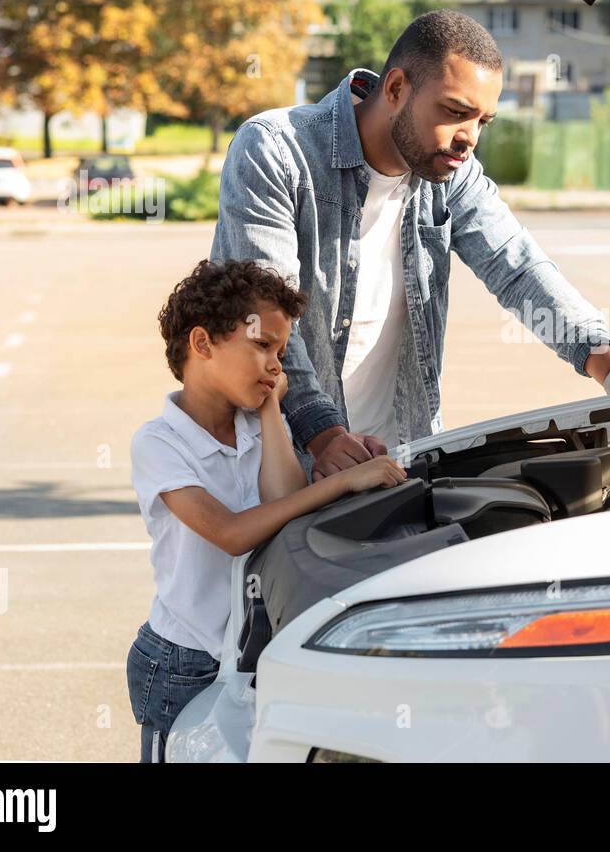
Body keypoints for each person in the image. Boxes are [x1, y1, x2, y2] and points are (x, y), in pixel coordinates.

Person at [211, 9, 610, 483]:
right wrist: (323, 435)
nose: (469, 139)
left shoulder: (450, 172)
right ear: (397, 89)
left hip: (397, 465)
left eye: (483, 121)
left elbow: (517, 268)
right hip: (279, 464)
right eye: (455, 112)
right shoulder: (276, 150)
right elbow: (266, 317)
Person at [125, 258, 406, 762]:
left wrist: (272, 408)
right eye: (261, 346)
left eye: (280, 350)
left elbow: (283, 508)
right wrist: (343, 481)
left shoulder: (256, 425)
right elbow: (232, 533)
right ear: (203, 344)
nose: (277, 364)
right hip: (181, 659)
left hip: (250, 652)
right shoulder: (159, 443)